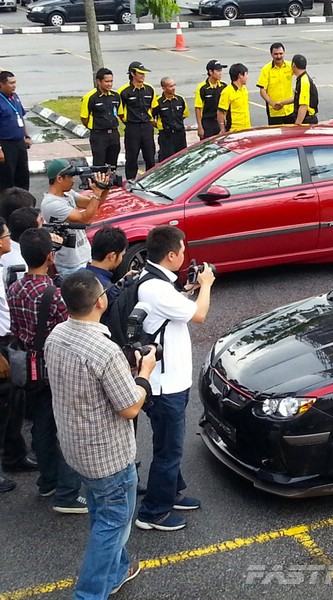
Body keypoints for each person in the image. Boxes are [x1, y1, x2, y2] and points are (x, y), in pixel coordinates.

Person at [45, 270, 156, 598]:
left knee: (103, 511)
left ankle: (118, 571)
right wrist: (144, 374)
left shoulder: (56, 335)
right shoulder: (105, 351)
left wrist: (125, 373)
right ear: (100, 301)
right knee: (112, 524)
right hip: (109, 457)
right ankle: (89, 594)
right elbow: (130, 408)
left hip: (76, 448)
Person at [135, 226, 215, 532]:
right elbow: (199, 315)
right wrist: (206, 285)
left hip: (166, 381)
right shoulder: (157, 289)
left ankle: (172, 492)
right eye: (183, 250)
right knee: (169, 450)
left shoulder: (155, 281)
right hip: (165, 387)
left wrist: (189, 290)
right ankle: (154, 512)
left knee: (166, 444)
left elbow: (177, 309)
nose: (186, 255)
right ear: (171, 255)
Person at [8, 228, 85, 513]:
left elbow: (14, 326)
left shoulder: (14, 288)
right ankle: (67, 491)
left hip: (27, 367)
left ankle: (47, 481)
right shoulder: (53, 293)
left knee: (41, 424)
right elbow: (71, 326)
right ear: (51, 256)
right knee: (65, 428)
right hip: (54, 368)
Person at [0, 216, 35, 493]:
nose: (7, 241)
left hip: (8, 341)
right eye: (4, 236)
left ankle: (14, 455)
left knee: (13, 401)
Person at [40, 159, 110, 278]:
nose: (73, 180)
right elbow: (86, 219)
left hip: (84, 257)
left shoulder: (68, 193)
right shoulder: (51, 204)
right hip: (71, 266)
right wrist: (97, 193)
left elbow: (94, 204)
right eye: (70, 177)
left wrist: (105, 187)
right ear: (59, 179)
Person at [118, 61, 157, 181]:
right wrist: (129, 122)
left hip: (146, 126)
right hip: (132, 128)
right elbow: (120, 112)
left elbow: (153, 107)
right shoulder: (124, 91)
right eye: (140, 73)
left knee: (150, 156)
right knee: (131, 157)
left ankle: (150, 181)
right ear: (132, 74)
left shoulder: (149, 89)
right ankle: (130, 181)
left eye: (144, 73)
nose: (143, 76)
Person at [80, 68, 122, 169]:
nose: (109, 84)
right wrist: (94, 127)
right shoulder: (90, 97)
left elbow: (119, 113)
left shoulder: (115, 96)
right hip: (99, 136)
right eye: (106, 81)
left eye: (111, 81)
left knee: (112, 166)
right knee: (99, 165)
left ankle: (111, 183)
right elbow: (84, 118)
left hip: (113, 135)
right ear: (99, 81)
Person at [0, 71, 32, 192]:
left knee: (23, 176)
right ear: (1, 84)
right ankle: (6, 207)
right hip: (5, 145)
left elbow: (20, 117)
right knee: (7, 179)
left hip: (20, 143)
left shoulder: (15, 97)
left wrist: (27, 136)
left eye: (15, 82)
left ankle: (24, 204)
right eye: (11, 83)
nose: (14, 85)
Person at [85, 226, 128, 302]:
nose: (122, 259)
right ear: (112, 256)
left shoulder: (77, 275)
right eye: (122, 255)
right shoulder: (109, 292)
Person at [257, 43, 294, 126]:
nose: (279, 56)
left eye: (281, 54)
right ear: (271, 55)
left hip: (290, 109)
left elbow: (301, 74)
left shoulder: (290, 66)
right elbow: (262, 90)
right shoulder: (266, 69)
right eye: (276, 54)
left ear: (284, 53)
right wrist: (272, 104)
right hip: (274, 112)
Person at [154, 77, 189, 162]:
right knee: (167, 160)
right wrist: (161, 126)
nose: (173, 88)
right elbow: (151, 118)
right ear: (164, 88)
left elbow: (185, 114)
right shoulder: (157, 102)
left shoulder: (180, 99)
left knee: (182, 158)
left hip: (180, 134)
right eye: (170, 86)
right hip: (166, 135)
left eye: (174, 85)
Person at [194, 60, 227, 140]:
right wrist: (200, 127)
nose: (220, 73)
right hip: (208, 123)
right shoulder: (202, 88)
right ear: (210, 72)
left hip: (221, 122)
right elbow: (198, 108)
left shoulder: (224, 86)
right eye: (218, 71)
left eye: (221, 70)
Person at [217, 63, 251, 134]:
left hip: (247, 128)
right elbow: (221, 112)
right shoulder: (227, 92)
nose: (247, 77)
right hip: (234, 130)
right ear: (240, 75)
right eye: (246, 74)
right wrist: (223, 129)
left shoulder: (244, 89)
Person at [290, 55, 318, 126]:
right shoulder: (303, 78)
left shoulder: (304, 81)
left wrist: (297, 125)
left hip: (307, 120)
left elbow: (303, 105)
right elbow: (298, 97)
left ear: (293, 65)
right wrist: (282, 103)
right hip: (307, 119)